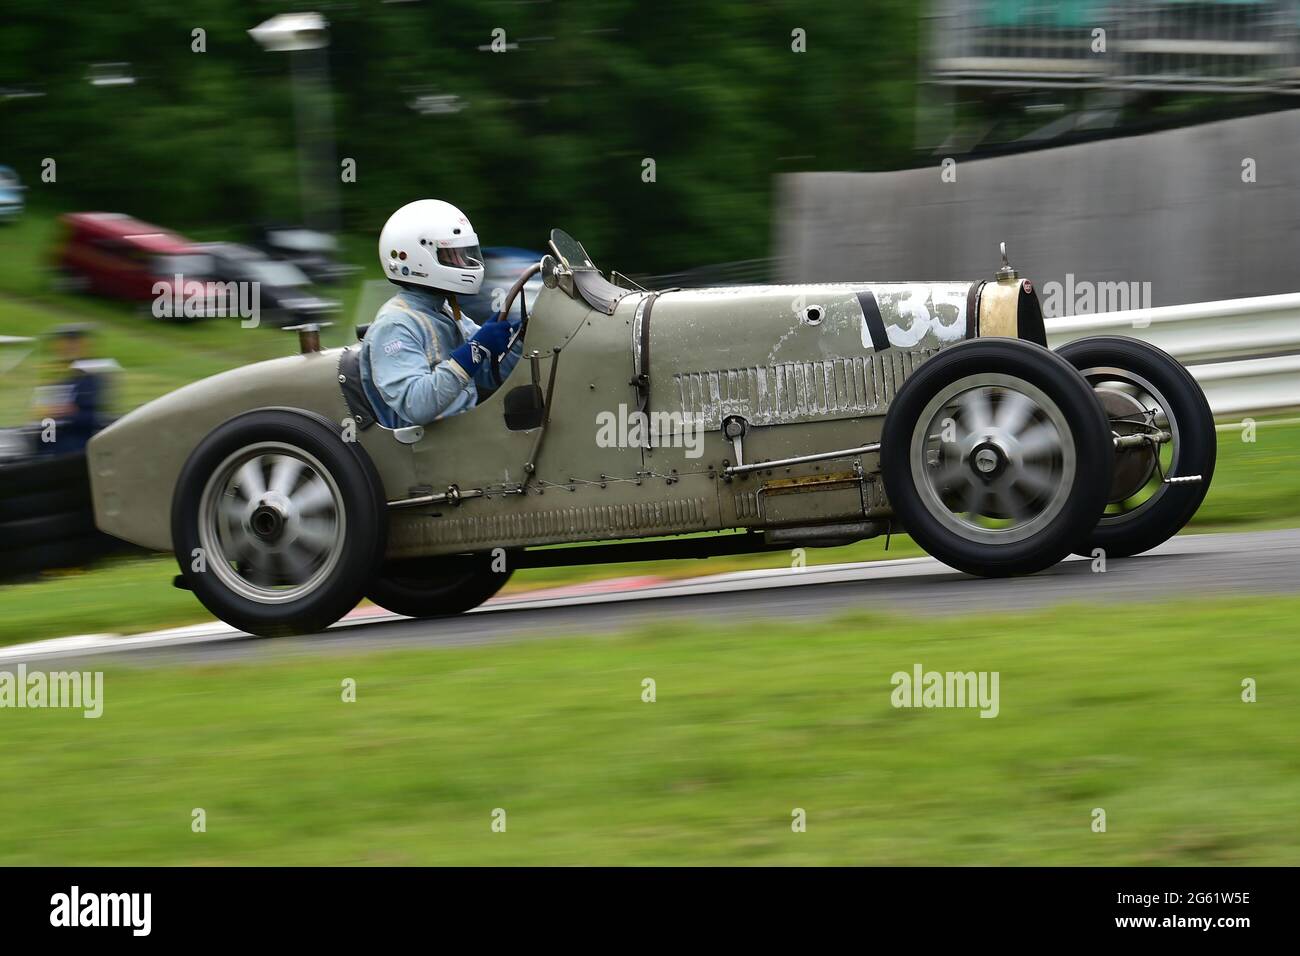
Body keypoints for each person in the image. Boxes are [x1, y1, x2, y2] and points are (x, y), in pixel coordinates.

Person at [360, 200, 522, 428]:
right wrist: (475, 349)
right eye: (452, 255)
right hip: (427, 449)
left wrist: (521, 339)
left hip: (464, 431)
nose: (464, 263)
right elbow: (415, 405)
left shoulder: (444, 310)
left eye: (464, 254)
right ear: (416, 257)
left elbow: (489, 373)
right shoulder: (395, 325)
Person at [31, 323, 109, 454]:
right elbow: (48, 426)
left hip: (77, 449)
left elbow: (96, 418)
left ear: (84, 346)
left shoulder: (93, 379)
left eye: (74, 343)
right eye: (65, 343)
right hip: (51, 448)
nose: (68, 347)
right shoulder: (59, 379)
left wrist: (67, 413)